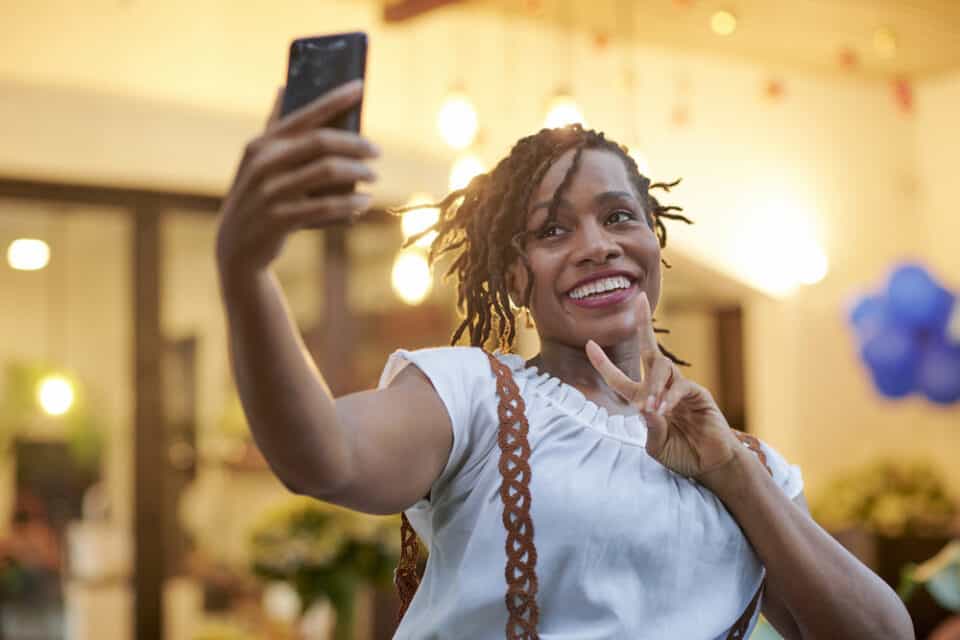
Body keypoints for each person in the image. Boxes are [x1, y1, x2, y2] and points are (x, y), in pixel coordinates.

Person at [215, 80, 914, 639]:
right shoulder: (472, 393)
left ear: (652, 242)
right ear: (516, 278)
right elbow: (323, 457)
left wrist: (730, 470)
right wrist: (246, 274)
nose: (596, 245)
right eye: (553, 230)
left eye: (618, 217)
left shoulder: (753, 471)